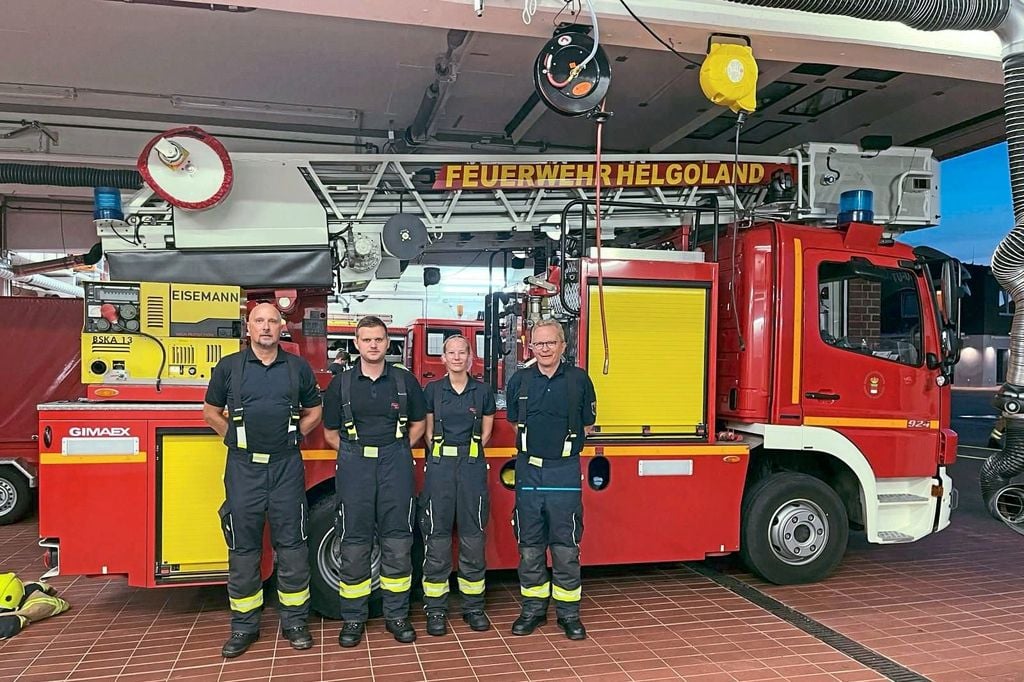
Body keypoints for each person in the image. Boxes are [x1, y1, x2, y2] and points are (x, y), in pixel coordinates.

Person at [203, 302, 324, 658]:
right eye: (260, 321)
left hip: (286, 466)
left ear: (282, 326)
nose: (267, 327)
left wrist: (295, 435)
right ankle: (244, 627)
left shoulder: (298, 368)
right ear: (249, 327)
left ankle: (295, 623)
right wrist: (234, 438)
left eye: (273, 321)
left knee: (293, 547)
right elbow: (210, 412)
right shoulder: (229, 368)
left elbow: (315, 410)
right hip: (243, 469)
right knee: (243, 550)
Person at [322, 315, 426, 647]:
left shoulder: (404, 381)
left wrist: (394, 450)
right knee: (354, 542)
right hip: (355, 465)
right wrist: (357, 452)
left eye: (379, 339)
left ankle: (396, 616)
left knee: (398, 541)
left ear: (387, 343)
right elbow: (329, 433)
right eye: (366, 340)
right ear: (356, 343)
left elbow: (420, 424)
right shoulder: (341, 384)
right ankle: (353, 618)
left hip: (395, 461)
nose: (373, 345)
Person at [505, 319, 597, 641]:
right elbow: (516, 423)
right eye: (538, 344)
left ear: (563, 346)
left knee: (565, 546)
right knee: (529, 545)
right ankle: (532, 609)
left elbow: (586, 425)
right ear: (531, 347)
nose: (544, 349)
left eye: (550, 343)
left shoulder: (579, 380)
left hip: (564, 471)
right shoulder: (520, 381)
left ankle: (568, 614)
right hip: (529, 471)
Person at [420, 335, 496, 636]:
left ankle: (473, 608)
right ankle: (435, 610)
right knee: (437, 539)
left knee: (472, 538)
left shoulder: (482, 391)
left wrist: (467, 455)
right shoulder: (433, 391)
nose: (456, 357)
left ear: (470, 357)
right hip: (440, 469)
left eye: (462, 352)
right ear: (443, 358)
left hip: (472, 467)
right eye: (450, 352)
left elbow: (487, 431)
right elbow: (427, 432)